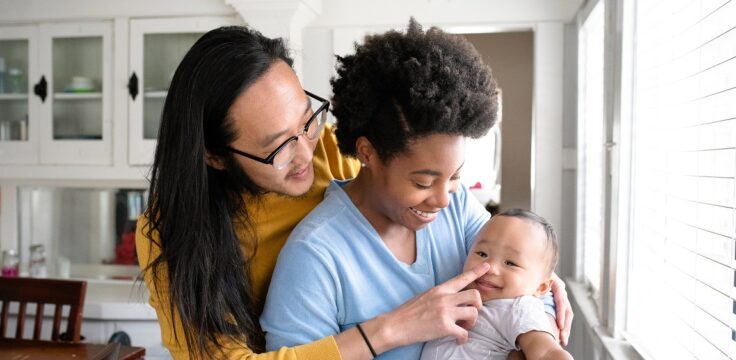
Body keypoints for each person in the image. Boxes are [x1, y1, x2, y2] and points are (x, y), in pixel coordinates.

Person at [136, 25, 568, 360]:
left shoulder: (337, 147)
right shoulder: (176, 231)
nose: (307, 151)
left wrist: (533, 280)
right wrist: (392, 329)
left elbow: (488, 239)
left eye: (308, 119)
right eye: (278, 147)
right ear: (214, 155)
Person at [260, 20, 572, 360]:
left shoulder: (458, 207)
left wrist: (540, 315)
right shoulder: (316, 255)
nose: (442, 200)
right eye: (423, 182)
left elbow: (524, 281)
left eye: (455, 176)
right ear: (367, 153)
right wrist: (395, 328)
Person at [420, 209, 573, 360]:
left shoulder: (519, 309)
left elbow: (547, 353)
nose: (490, 267)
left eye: (510, 263)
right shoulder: (458, 295)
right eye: (482, 254)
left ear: (541, 288)